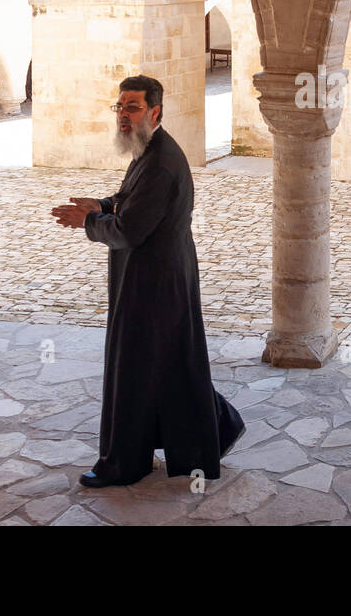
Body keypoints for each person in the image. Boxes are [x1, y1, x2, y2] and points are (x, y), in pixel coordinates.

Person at [50, 75, 244, 487]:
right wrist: (101, 204)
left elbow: (128, 230)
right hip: (158, 275)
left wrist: (87, 220)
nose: (123, 115)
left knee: (134, 369)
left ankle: (124, 463)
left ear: (154, 112)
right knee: (170, 365)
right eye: (119, 107)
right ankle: (219, 427)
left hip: (153, 282)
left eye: (132, 107)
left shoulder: (160, 161)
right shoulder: (150, 148)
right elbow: (130, 201)